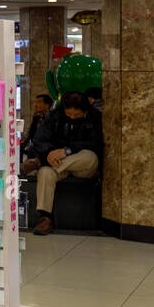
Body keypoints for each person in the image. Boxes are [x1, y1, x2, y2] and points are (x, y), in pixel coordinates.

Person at [26, 91, 103, 235]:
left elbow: (96, 144)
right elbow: (39, 139)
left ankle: (40, 162)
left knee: (90, 157)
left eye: (77, 115)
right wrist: (49, 152)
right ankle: (45, 218)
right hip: (57, 166)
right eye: (69, 115)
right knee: (45, 173)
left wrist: (67, 151)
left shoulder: (95, 117)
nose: (73, 117)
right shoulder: (55, 116)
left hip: (82, 165)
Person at [20, 94, 53, 166]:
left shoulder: (51, 118)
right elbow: (30, 133)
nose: (35, 105)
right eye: (36, 102)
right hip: (34, 146)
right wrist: (22, 141)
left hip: (44, 148)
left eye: (39, 102)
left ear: (47, 105)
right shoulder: (37, 117)